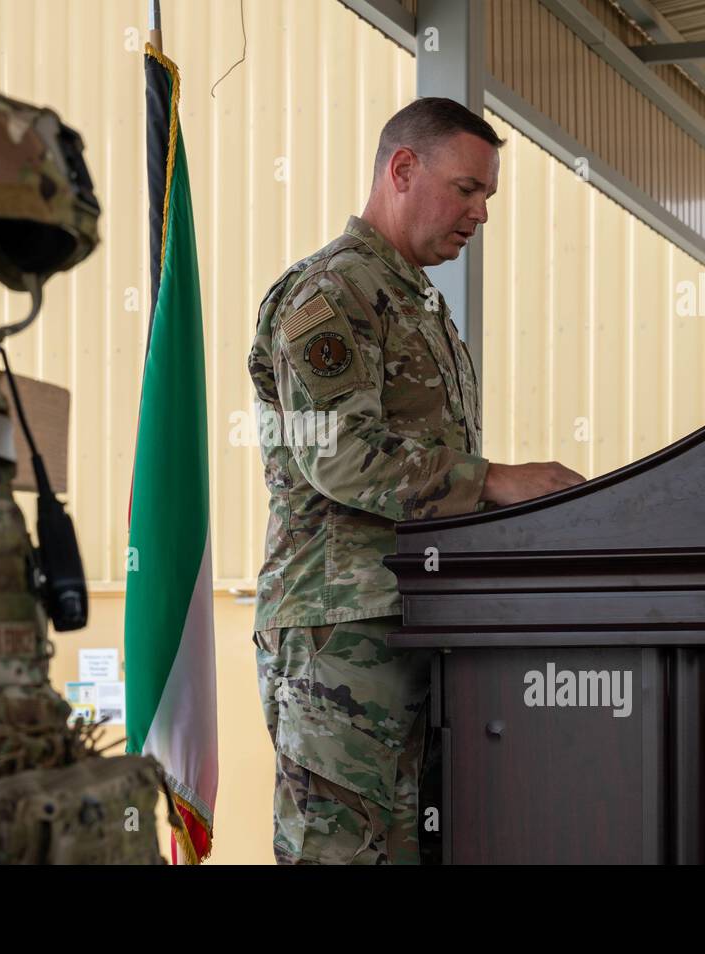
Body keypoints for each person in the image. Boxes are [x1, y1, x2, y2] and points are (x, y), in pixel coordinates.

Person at [246, 96, 584, 864]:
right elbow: (338, 456)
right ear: (403, 169)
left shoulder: (417, 303)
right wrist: (495, 481)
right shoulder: (331, 293)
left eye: (488, 197)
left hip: (421, 621)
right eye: (467, 189)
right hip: (343, 629)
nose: (480, 215)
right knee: (339, 854)